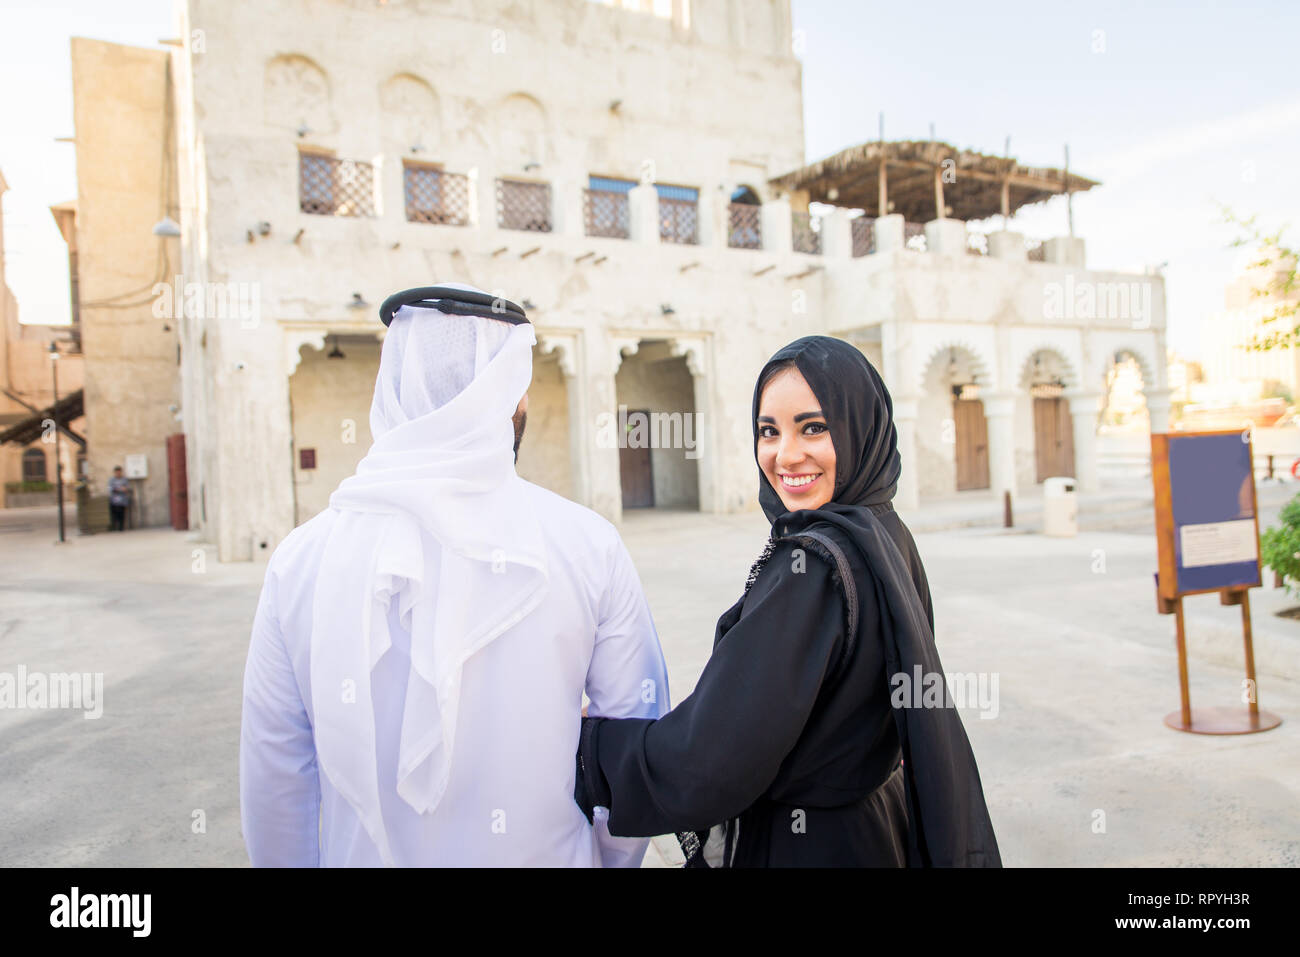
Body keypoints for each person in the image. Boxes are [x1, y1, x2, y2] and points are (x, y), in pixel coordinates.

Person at [240, 283, 670, 867]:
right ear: (512, 399)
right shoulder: (587, 543)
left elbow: (275, 778)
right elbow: (635, 740)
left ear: (392, 391)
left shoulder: (299, 560)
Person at [574, 335, 1001, 867]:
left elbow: (712, 758)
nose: (786, 455)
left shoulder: (813, 568)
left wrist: (592, 751)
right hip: (873, 828)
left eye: (814, 427)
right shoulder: (883, 531)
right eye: (768, 431)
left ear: (857, 427)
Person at [107, 466, 131, 531]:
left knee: (122, 514)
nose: (118, 474)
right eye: (117, 472)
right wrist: (119, 489)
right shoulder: (111, 480)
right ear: (115, 472)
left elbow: (127, 488)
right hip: (114, 500)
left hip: (122, 500)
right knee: (114, 514)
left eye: (119, 472)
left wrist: (123, 489)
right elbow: (110, 488)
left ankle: (121, 527)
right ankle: (114, 527)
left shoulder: (124, 480)